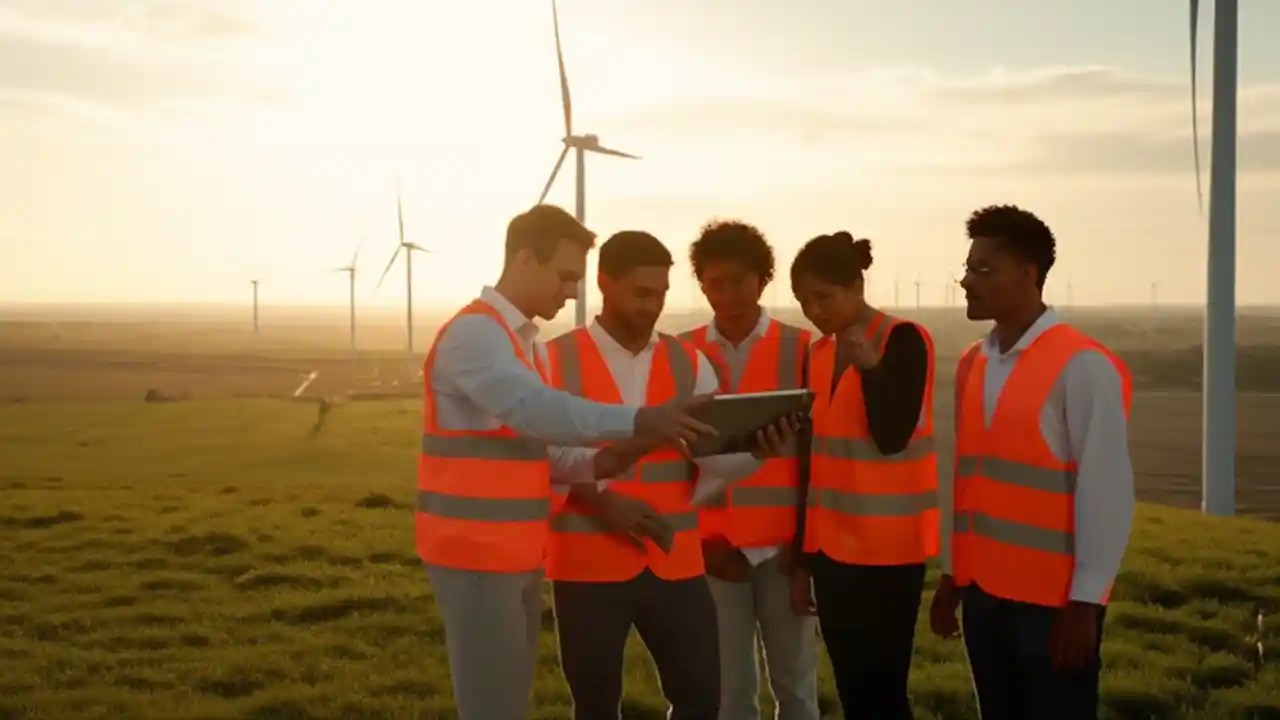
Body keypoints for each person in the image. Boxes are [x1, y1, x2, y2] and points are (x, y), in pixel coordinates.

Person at [416, 205, 720, 720]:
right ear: (525, 260)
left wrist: (615, 458)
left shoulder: (522, 343)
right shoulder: (476, 335)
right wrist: (641, 420)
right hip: (475, 551)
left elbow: (551, 455)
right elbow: (536, 412)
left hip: (513, 550)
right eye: (565, 276)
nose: (573, 292)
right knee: (494, 707)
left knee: (509, 702)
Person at [543, 230, 800, 720]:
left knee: (702, 701)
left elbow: (711, 466)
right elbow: (539, 458)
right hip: (586, 564)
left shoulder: (690, 362)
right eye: (641, 293)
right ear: (604, 284)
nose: (653, 306)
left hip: (675, 562)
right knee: (595, 706)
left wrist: (758, 453)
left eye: (661, 294)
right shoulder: (554, 360)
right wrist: (604, 502)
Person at [929, 204, 1135, 720]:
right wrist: (953, 574)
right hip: (984, 596)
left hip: (1053, 607)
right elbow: (969, 478)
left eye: (982, 269)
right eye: (967, 268)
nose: (966, 282)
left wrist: (1085, 604)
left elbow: (1105, 490)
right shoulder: (974, 361)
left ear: (1028, 275)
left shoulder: (1082, 365)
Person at [789, 231, 939, 720]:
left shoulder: (903, 339)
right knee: (854, 690)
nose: (814, 310)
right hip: (833, 553)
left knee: (884, 693)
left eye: (824, 297)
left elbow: (893, 435)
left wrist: (873, 370)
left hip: (889, 553)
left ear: (856, 285)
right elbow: (814, 465)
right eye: (804, 301)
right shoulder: (818, 355)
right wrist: (804, 557)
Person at [679, 219, 820, 720]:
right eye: (714, 283)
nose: (727, 294)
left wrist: (806, 549)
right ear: (701, 285)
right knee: (728, 693)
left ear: (763, 279)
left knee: (796, 688)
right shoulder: (680, 352)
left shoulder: (805, 349)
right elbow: (670, 461)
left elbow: (817, 461)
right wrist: (697, 541)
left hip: (784, 551)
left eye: (738, 280)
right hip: (711, 548)